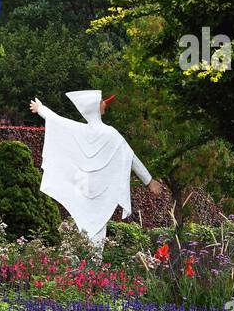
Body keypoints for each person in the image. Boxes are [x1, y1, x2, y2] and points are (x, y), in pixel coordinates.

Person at [29, 90, 162, 245]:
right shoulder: (110, 133)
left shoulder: (81, 131)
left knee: (88, 230)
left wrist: (41, 109)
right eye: (101, 102)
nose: (104, 103)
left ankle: (86, 265)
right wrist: (149, 180)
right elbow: (131, 158)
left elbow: (57, 121)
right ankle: (91, 266)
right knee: (95, 230)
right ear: (96, 108)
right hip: (100, 192)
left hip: (85, 189)